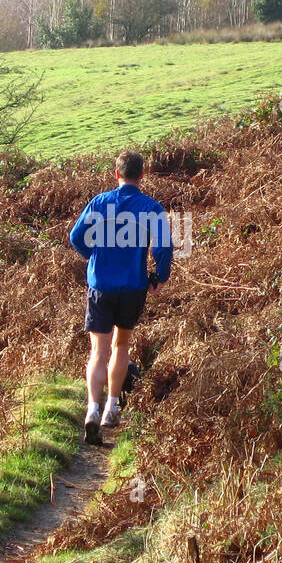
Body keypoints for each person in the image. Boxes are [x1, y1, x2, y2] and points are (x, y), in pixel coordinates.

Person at [68, 150, 173, 444]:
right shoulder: (152, 208)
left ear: (116, 174)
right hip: (132, 286)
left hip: (100, 285)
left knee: (98, 351)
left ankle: (92, 410)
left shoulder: (99, 203)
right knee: (121, 345)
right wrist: (159, 277)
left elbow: (76, 237)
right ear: (142, 175)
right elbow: (164, 247)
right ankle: (112, 408)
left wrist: (94, 257)